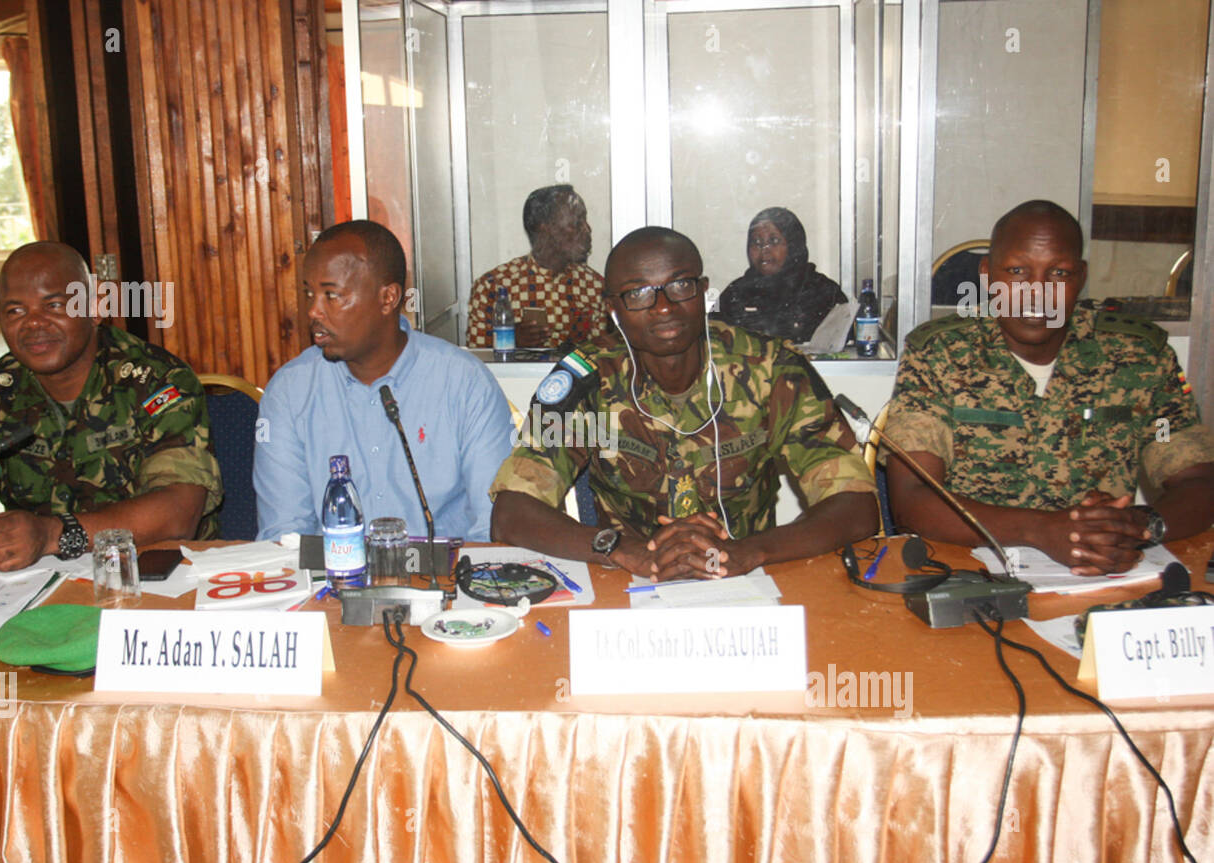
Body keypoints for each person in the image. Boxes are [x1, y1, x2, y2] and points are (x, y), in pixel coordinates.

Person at [489, 226, 879, 580]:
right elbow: (512, 513)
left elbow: (856, 506)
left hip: (749, 581)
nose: (663, 307)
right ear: (612, 309)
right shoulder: (588, 382)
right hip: (629, 579)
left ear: (704, 290)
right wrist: (622, 550)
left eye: (680, 286)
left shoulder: (771, 370)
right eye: (638, 294)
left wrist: (749, 552)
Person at [884, 199, 1214, 575]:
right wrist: (1040, 530)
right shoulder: (938, 356)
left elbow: (1198, 481)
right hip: (970, 576)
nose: (1037, 293)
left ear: (1082, 277)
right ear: (988, 275)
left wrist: (1135, 526)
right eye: (1017, 271)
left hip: (1106, 573)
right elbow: (912, 499)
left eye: (1058, 273)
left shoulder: (1140, 360)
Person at [0, 242, 223, 573]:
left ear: (95, 308)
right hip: (34, 584)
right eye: (15, 311)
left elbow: (178, 512)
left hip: (157, 575)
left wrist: (53, 535)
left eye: (54, 305)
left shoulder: (157, 381)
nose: (33, 324)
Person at [255, 220, 512, 542]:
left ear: (388, 298)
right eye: (310, 294)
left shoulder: (464, 383)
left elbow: (491, 526)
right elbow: (284, 536)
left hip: (445, 581)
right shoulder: (290, 392)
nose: (313, 311)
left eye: (331, 296)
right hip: (332, 582)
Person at [467, 185, 608, 349]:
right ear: (545, 228)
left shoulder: (595, 286)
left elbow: (602, 356)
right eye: (577, 222)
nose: (587, 229)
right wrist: (510, 340)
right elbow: (475, 357)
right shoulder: (492, 287)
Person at [717, 207, 847, 344]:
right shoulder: (735, 293)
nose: (764, 250)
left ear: (794, 245)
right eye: (756, 242)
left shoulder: (823, 291)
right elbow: (712, 342)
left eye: (774, 241)